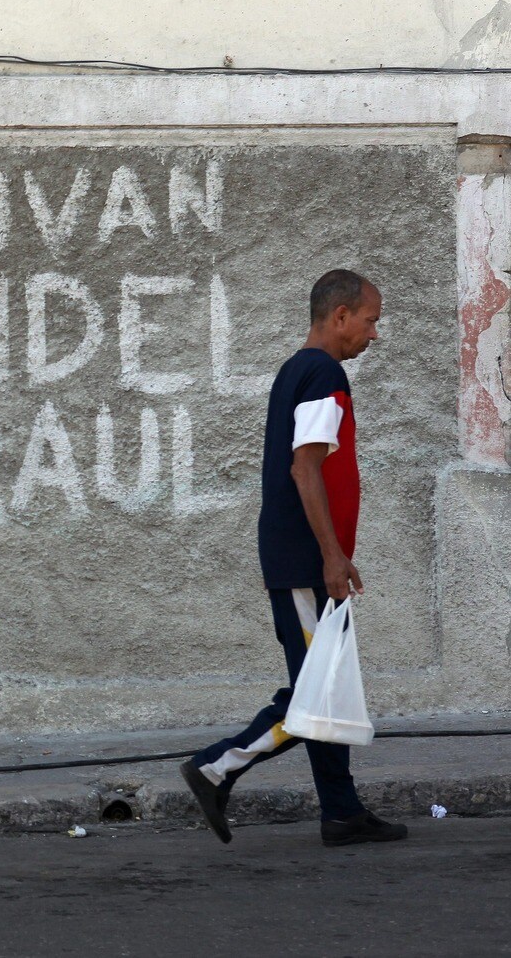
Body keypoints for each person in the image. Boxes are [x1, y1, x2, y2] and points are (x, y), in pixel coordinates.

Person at [181, 269, 408, 848]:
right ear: (339, 317)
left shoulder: (298, 370)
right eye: (370, 319)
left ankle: (342, 812)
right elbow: (304, 468)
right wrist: (331, 556)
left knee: (323, 684)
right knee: (314, 693)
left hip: (305, 559)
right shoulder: (323, 373)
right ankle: (217, 767)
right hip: (306, 563)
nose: (373, 334)